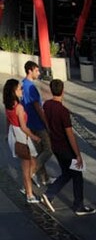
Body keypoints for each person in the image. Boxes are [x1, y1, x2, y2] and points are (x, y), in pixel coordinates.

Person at [40, 79, 96, 216]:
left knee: (67, 173)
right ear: (63, 90)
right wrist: (78, 154)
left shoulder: (47, 105)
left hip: (55, 145)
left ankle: (50, 193)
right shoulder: (63, 111)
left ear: (51, 90)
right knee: (77, 176)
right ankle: (78, 206)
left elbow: (46, 123)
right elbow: (70, 134)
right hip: (66, 147)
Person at [3, 78, 40, 202]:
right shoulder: (19, 107)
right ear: (13, 92)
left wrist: (7, 133)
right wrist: (34, 137)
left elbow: (8, 120)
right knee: (26, 167)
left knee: (32, 161)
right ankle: (29, 194)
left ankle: (27, 184)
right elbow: (24, 127)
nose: (22, 90)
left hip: (14, 134)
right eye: (20, 89)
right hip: (21, 136)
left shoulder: (8, 105)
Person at [22, 60, 52, 188]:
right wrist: (47, 124)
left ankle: (44, 178)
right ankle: (31, 172)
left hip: (29, 122)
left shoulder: (23, 84)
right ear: (30, 71)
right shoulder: (31, 87)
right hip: (37, 123)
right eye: (36, 70)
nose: (38, 73)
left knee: (40, 152)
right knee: (48, 150)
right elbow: (37, 107)